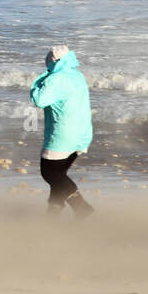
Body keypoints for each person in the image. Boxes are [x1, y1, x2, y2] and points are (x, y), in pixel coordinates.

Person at [30, 45, 95, 219]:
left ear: (54, 60)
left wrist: (38, 81)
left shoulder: (56, 78)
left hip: (62, 135)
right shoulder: (77, 75)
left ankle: (82, 208)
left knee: (50, 173)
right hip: (82, 133)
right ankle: (52, 214)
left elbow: (39, 100)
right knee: (59, 176)